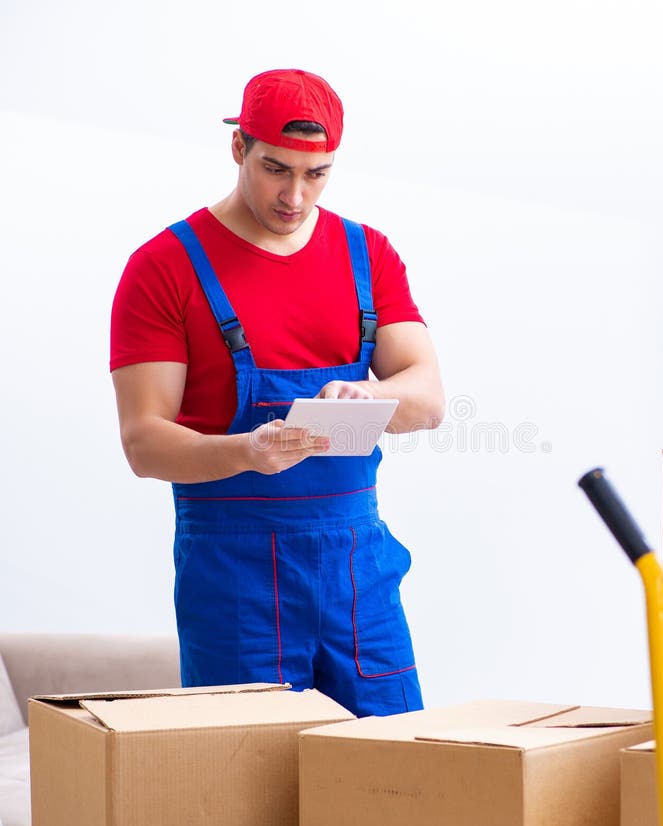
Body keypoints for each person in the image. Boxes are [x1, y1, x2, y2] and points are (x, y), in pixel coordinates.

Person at [110, 69, 445, 718]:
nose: (295, 195)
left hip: (359, 576)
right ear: (239, 147)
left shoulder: (367, 254)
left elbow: (427, 398)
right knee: (248, 769)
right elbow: (143, 442)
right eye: (276, 169)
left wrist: (370, 399)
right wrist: (245, 451)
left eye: (316, 174)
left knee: (396, 764)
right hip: (235, 582)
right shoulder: (165, 267)